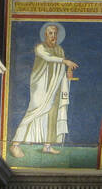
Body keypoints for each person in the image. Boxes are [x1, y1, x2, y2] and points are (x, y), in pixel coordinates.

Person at [9, 23, 77, 158]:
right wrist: (65, 61)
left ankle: (47, 146)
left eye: (55, 33)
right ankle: (15, 144)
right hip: (40, 87)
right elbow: (48, 58)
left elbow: (60, 68)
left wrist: (67, 72)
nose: (53, 36)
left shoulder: (59, 50)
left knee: (52, 113)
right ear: (45, 35)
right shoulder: (40, 48)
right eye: (50, 33)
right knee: (33, 112)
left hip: (54, 87)